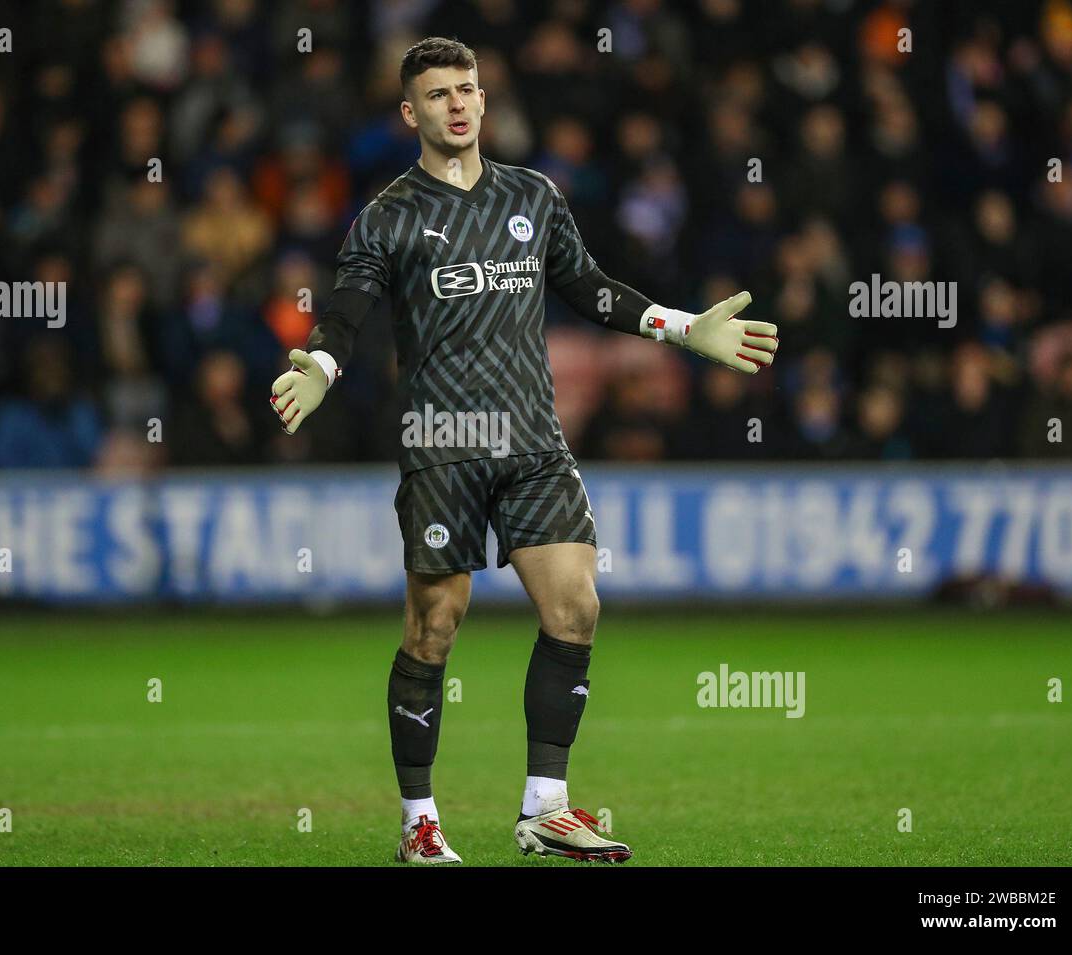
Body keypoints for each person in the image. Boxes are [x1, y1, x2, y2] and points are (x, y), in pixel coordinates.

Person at [270, 37, 778, 864]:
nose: (459, 104)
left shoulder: (533, 196)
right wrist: (322, 367)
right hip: (443, 443)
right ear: (411, 113)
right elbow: (349, 310)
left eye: (468, 88)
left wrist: (686, 329)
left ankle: (546, 808)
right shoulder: (388, 216)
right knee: (435, 626)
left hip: (533, 440)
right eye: (438, 95)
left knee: (576, 607)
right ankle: (419, 822)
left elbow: (590, 287)